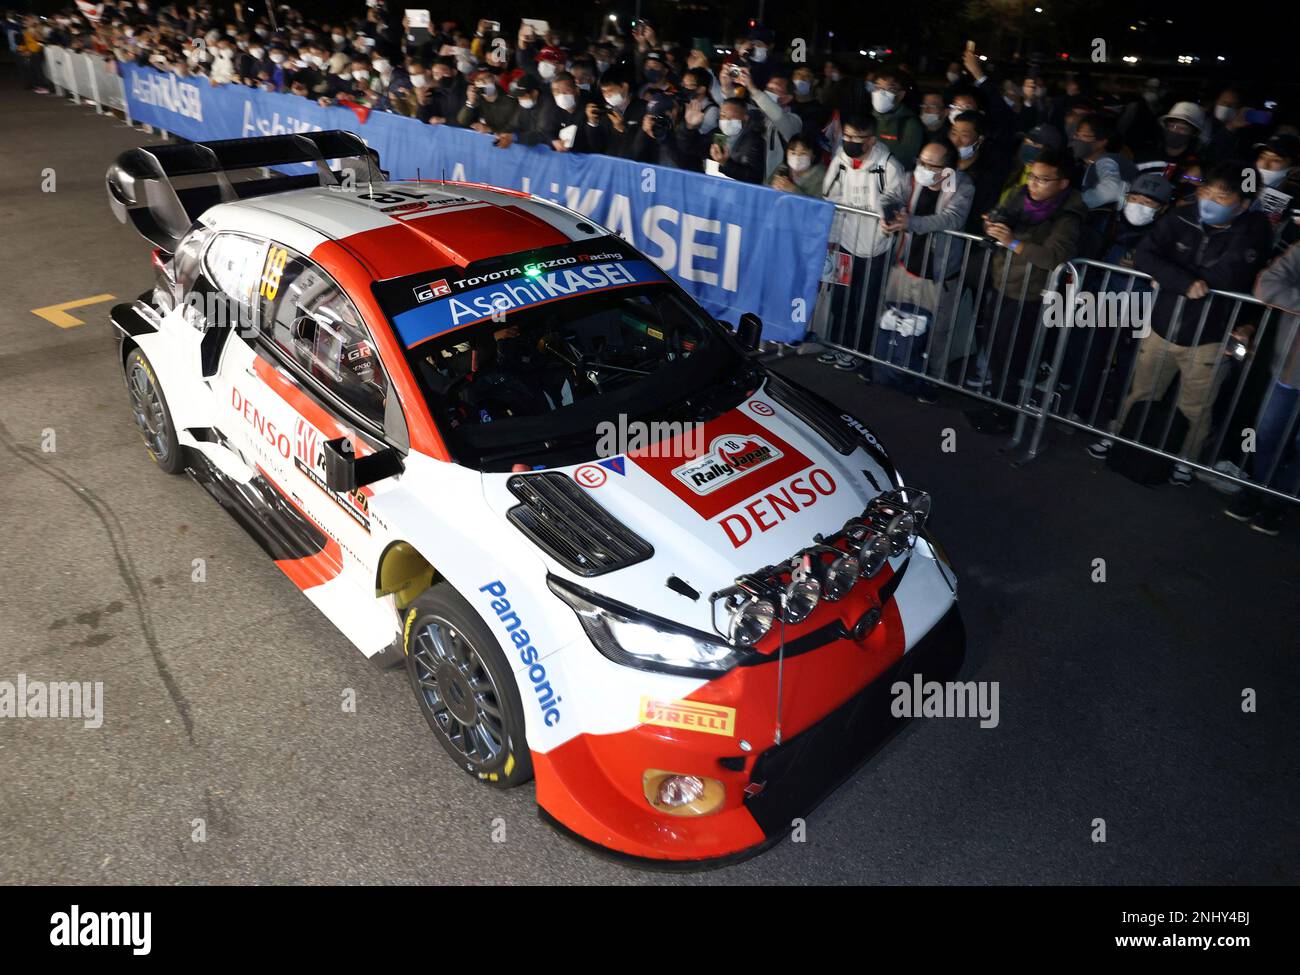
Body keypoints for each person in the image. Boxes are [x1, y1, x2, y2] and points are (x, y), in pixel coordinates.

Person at [1092, 162, 1274, 483]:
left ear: (1243, 204)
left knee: (1196, 406)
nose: (1210, 201)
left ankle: (1186, 460)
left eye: (1222, 198)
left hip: (1211, 337)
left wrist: (1170, 273)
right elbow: (1145, 255)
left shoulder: (1253, 231)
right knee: (1141, 390)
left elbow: (1229, 276)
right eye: (1206, 192)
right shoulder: (1180, 217)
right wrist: (1181, 279)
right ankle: (1120, 436)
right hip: (1162, 325)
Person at [966, 149, 1086, 431]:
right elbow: (1001, 219)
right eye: (1032, 176)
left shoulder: (1068, 215)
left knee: (1012, 357)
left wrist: (1012, 242)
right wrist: (991, 226)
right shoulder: (1019, 194)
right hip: (1001, 282)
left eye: (1044, 179)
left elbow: (1055, 256)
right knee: (994, 347)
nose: (1034, 183)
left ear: (1062, 183)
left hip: (1030, 294)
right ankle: (994, 405)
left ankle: (1005, 415)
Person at [874, 141, 975, 399]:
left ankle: (932, 379)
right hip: (905, 267)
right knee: (895, 320)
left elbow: (952, 218)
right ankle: (890, 369)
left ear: (949, 170)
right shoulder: (911, 179)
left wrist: (912, 222)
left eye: (932, 165)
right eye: (921, 161)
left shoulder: (961, 186)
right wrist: (888, 216)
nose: (924, 169)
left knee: (937, 331)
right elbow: (888, 197)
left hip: (939, 275)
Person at [1222, 240, 1300, 534]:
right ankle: (1261, 489)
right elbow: (1267, 285)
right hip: (1290, 368)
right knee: (1267, 435)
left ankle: (1278, 501)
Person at [819, 114, 908, 368]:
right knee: (840, 300)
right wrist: (831, 239)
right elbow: (830, 197)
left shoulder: (890, 166)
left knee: (865, 303)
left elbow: (894, 199)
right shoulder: (841, 159)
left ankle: (858, 352)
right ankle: (837, 344)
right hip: (844, 242)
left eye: (856, 139)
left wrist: (886, 216)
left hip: (875, 247)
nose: (849, 143)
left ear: (870, 140)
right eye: (846, 137)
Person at [733, 67, 803, 181]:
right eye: (767, 88)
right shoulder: (755, 113)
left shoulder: (794, 121)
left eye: (774, 90)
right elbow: (734, 109)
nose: (767, 93)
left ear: (786, 98)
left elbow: (777, 115)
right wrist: (726, 86)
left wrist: (752, 88)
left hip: (770, 184)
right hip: (745, 177)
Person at [1135, 101, 1208, 202]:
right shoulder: (1145, 154)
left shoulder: (1195, 163)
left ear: (1193, 133)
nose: (1175, 131)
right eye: (1171, 126)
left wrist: (1193, 179)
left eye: (1183, 128)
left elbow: (1200, 183)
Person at [950, 111, 1008, 233]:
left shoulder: (988, 174)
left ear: (980, 139)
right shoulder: (942, 164)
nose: (956, 141)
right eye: (954, 133)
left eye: (964, 136)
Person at [869, 69, 923, 167]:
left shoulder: (909, 123)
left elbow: (904, 159)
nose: (881, 93)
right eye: (877, 87)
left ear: (901, 95)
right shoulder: (867, 117)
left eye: (889, 89)